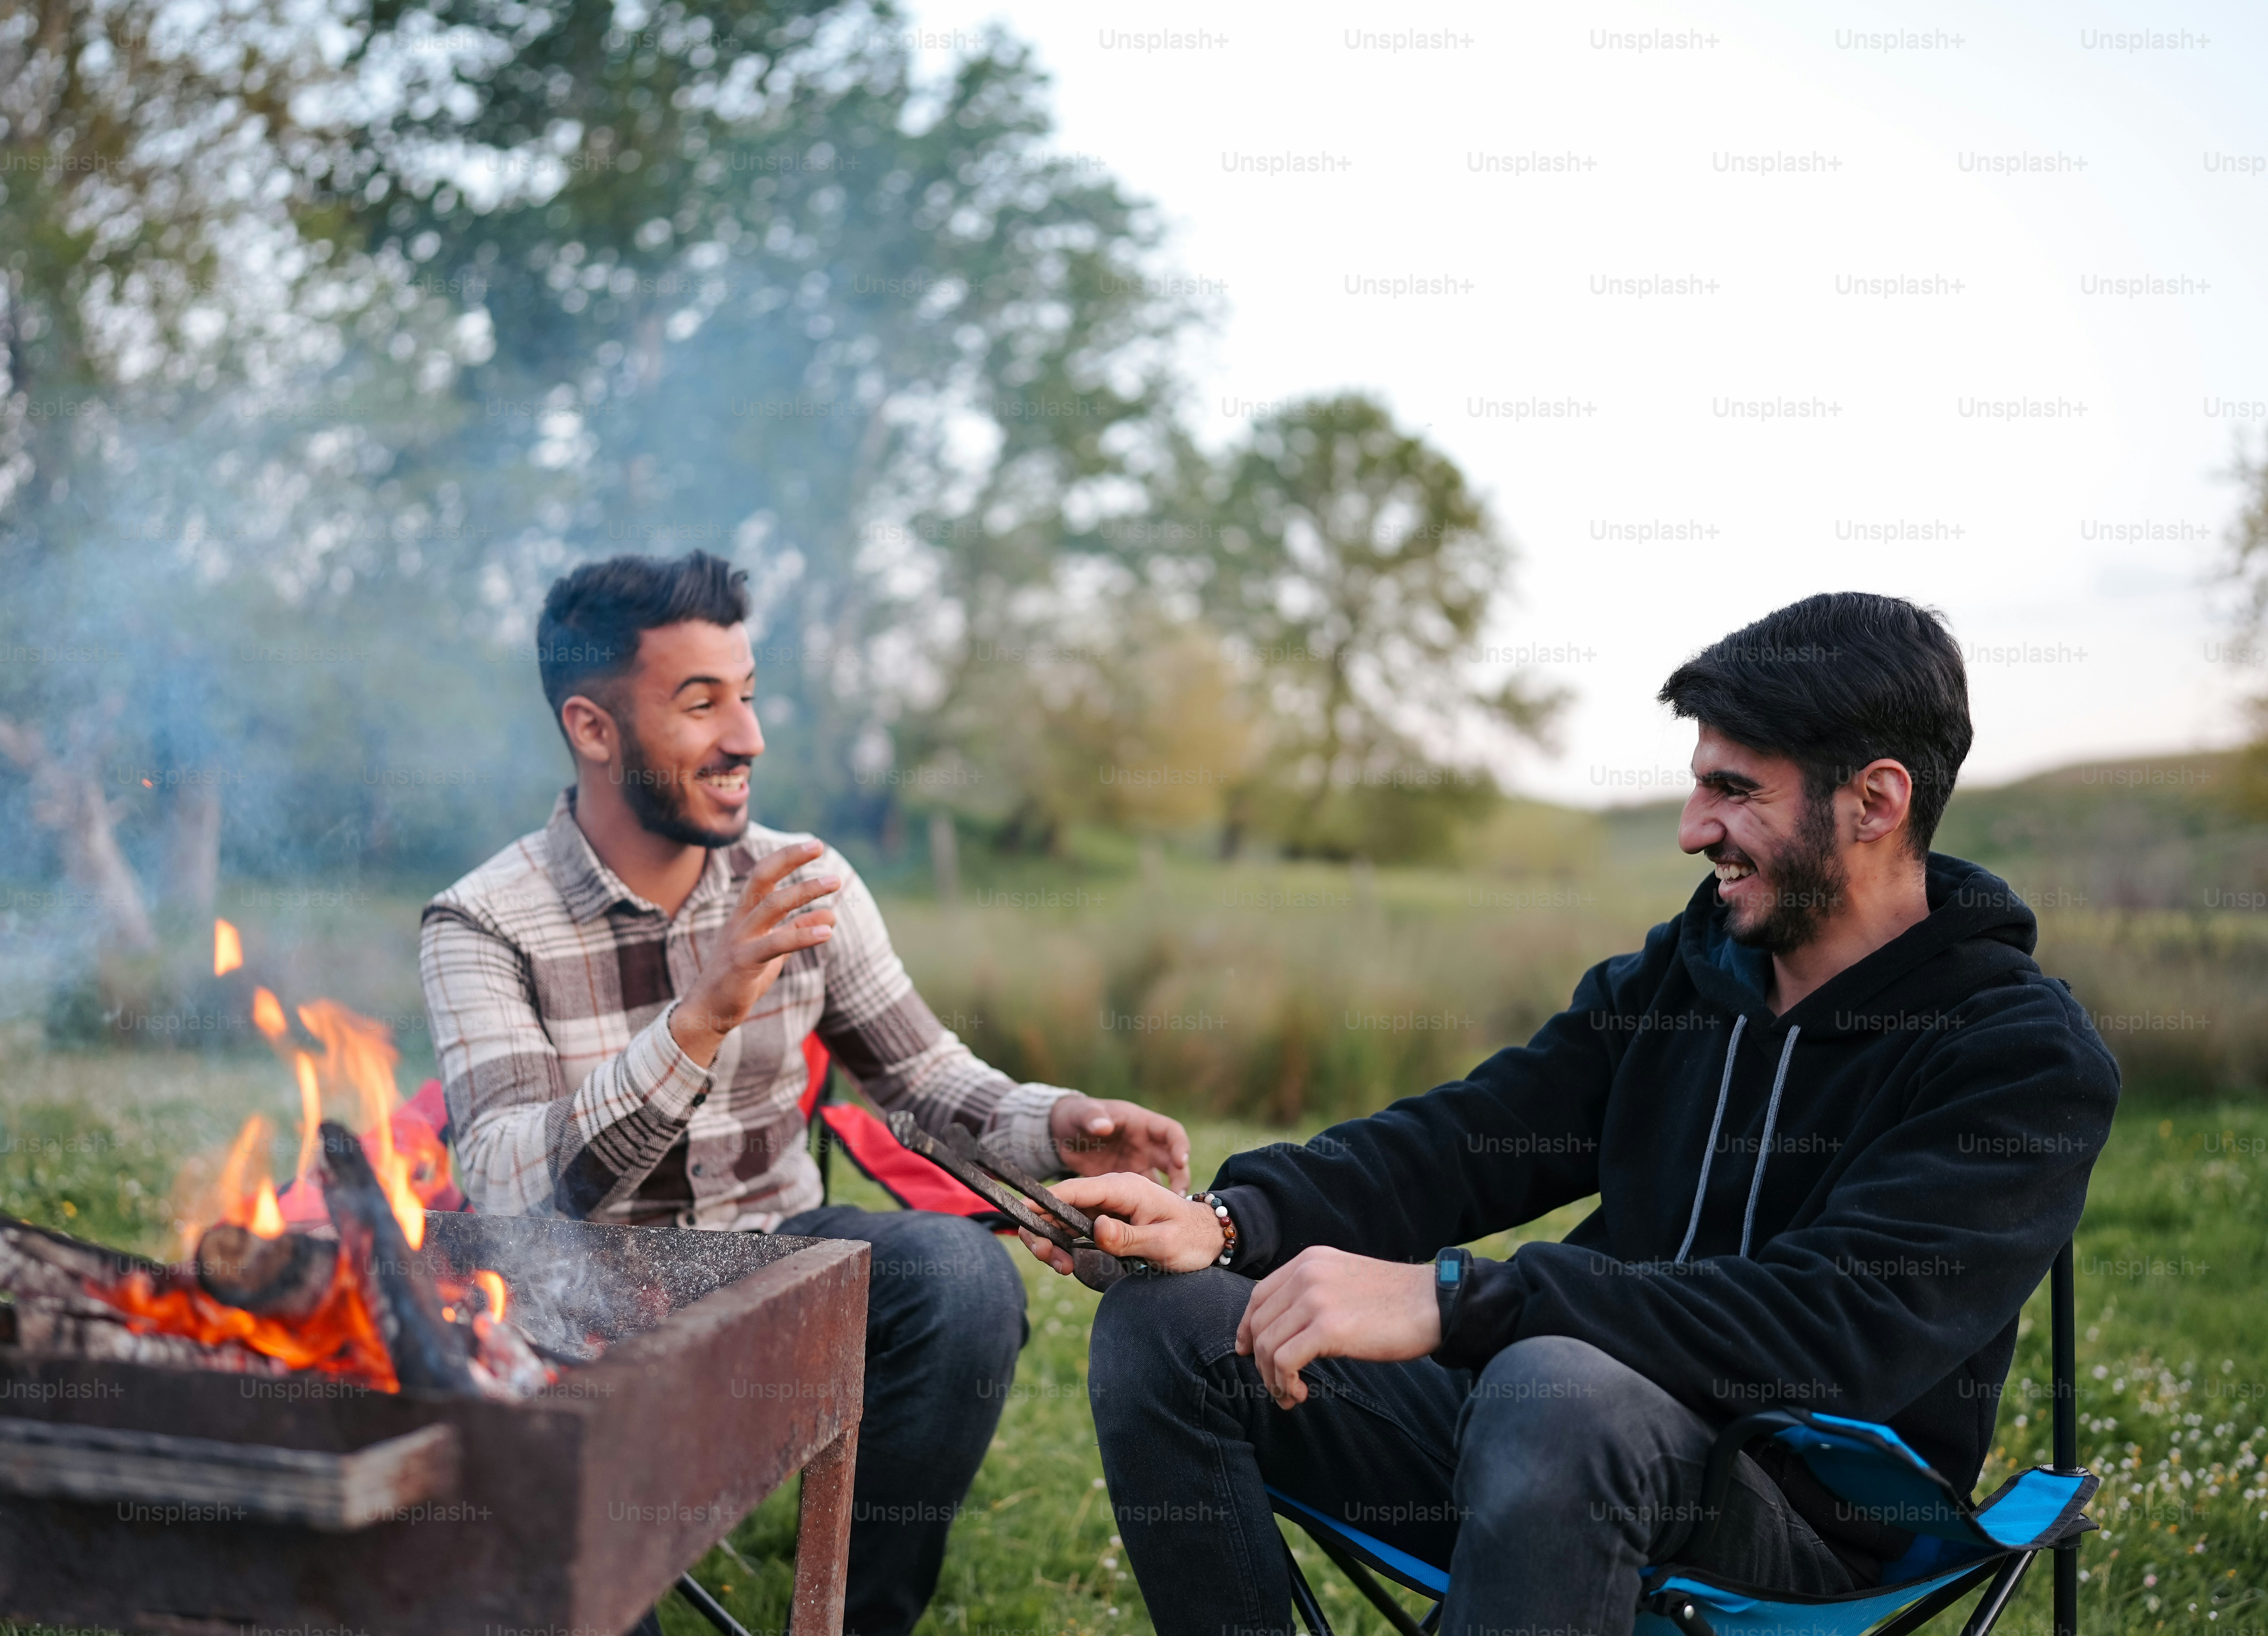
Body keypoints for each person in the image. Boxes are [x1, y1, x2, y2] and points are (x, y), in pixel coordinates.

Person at [1024, 592, 2121, 1636]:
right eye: (1697, 786)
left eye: (1735, 791)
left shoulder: (2017, 1056)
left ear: (1874, 803)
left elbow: (1834, 1330)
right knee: (1173, 1329)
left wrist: (1458, 1300)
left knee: (1557, 1386)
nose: (1693, 829)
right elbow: (1470, 1138)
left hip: (1803, 1521)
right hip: (1537, 1445)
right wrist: (1228, 1223)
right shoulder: (1689, 974)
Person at [421, 549, 1192, 1636]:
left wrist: (1058, 1127)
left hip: (774, 1261)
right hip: (576, 1300)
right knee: (581, 1592)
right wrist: (696, 1019)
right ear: (593, 728)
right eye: (702, 703)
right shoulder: (481, 922)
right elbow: (506, 1189)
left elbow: (922, 1078)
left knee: (959, 1277)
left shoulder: (802, 878)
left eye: (747, 694)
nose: (748, 738)